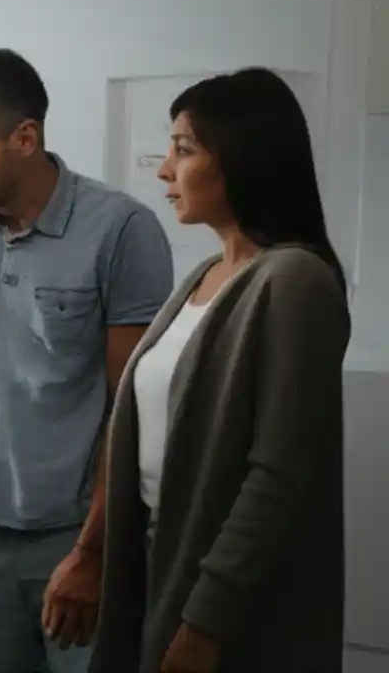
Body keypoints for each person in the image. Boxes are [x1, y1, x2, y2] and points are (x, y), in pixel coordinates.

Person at [0, 47, 174, 672]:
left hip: (80, 536)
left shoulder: (122, 231)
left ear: (24, 138)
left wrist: (95, 552)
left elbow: (130, 407)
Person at [87, 67, 350, 673]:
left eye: (183, 150)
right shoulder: (204, 275)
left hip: (225, 594)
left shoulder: (294, 280)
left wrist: (206, 620)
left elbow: (276, 474)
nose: (163, 170)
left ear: (243, 158)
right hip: (161, 559)